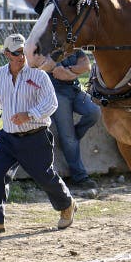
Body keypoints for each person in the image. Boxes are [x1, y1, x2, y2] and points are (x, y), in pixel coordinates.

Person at [0, 33, 77, 236]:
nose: (21, 56)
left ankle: (67, 204)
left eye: (24, 52)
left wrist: (29, 115)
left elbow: (51, 103)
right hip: (8, 137)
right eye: (16, 53)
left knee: (44, 177)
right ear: (7, 54)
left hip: (36, 136)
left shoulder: (38, 75)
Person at [40, 49, 101, 190]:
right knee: (69, 138)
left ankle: (71, 138)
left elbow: (86, 65)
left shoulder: (73, 46)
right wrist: (71, 72)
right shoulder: (47, 45)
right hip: (57, 94)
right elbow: (48, 67)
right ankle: (80, 177)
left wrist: (68, 71)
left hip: (75, 90)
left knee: (94, 112)